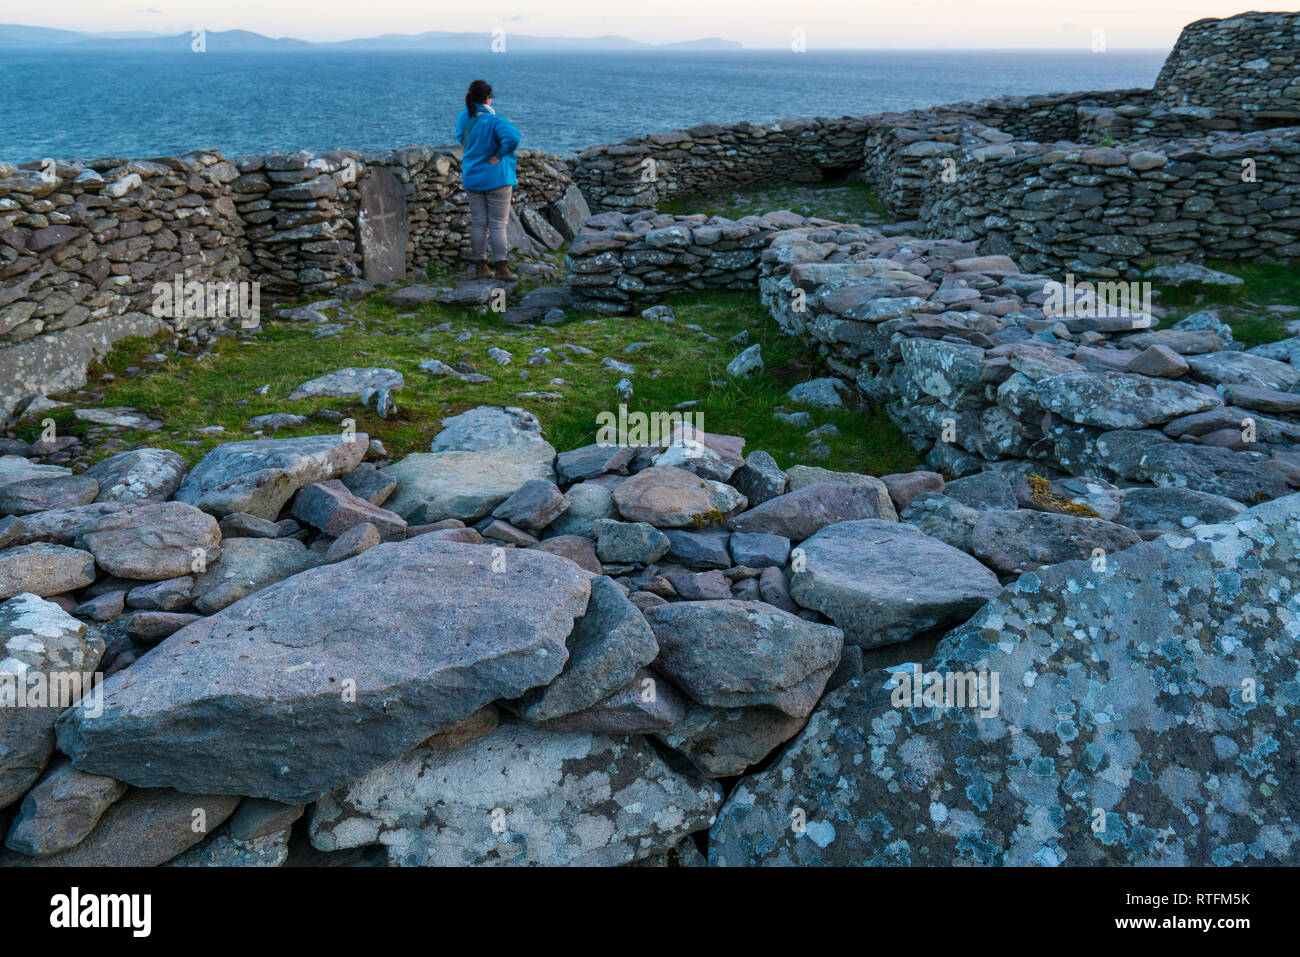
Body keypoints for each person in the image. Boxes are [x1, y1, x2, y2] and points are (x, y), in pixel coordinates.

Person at [456, 79, 521, 281]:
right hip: (497, 177)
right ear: (487, 98)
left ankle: (480, 266)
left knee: (478, 223)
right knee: (498, 224)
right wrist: (499, 154)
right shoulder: (495, 120)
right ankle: (502, 268)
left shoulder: (464, 117)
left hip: (473, 176)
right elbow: (513, 138)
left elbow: (461, 138)